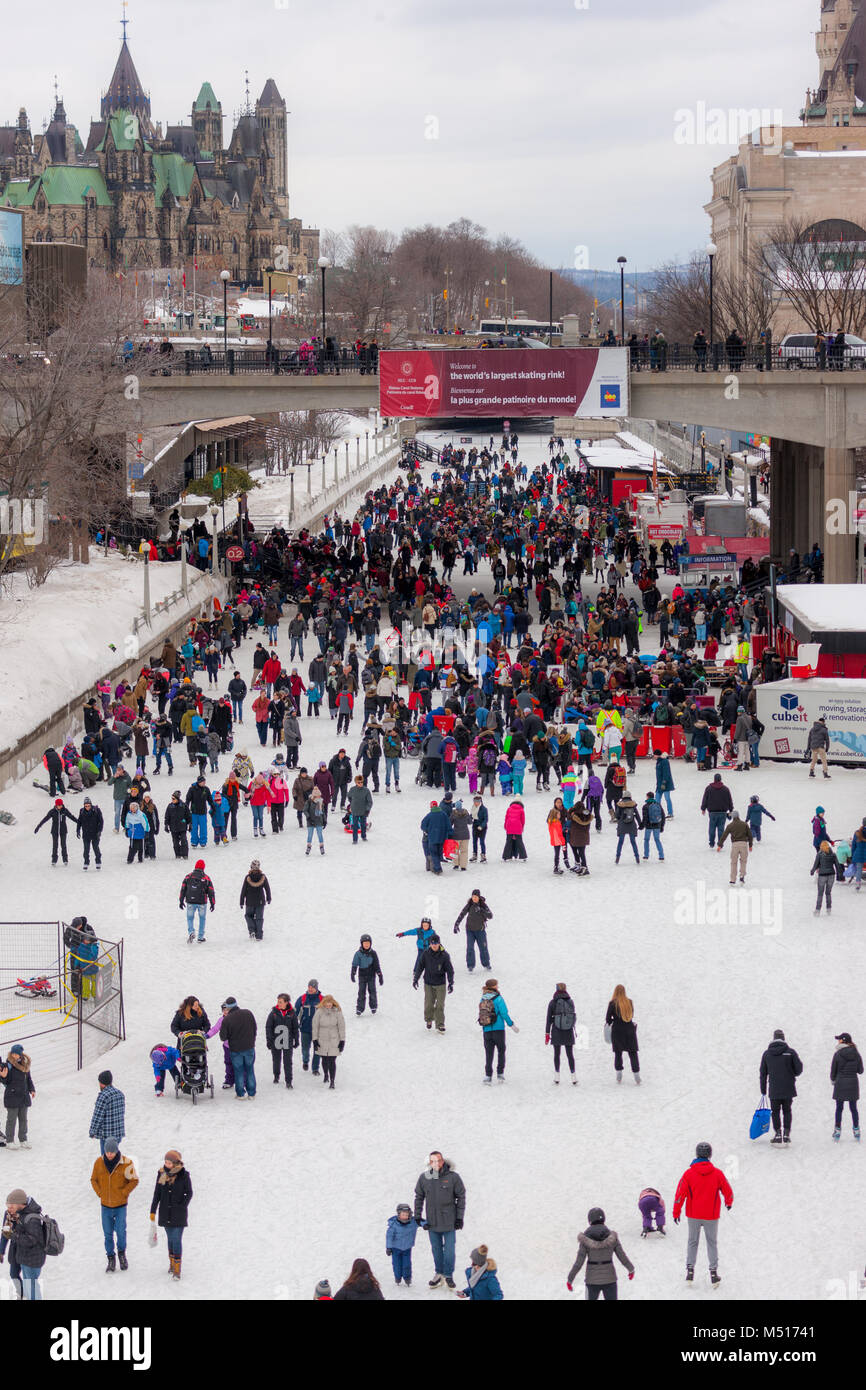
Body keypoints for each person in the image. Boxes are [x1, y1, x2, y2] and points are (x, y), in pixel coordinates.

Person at [672, 1141, 733, 1287]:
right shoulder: (717, 1173)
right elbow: (727, 1190)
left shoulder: (688, 1173)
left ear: (697, 1154)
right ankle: (713, 1273)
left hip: (693, 1214)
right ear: (710, 1155)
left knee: (692, 1241)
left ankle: (690, 1272)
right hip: (711, 1215)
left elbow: (680, 1194)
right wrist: (728, 1202)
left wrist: (676, 1211)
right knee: (712, 1242)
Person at [413, 1150, 466, 1291]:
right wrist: (418, 1216)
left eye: (438, 1160)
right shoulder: (424, 1178)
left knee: (449, 1251)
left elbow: (461, 1196)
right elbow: (419, 1196)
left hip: (449, 1222)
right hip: (432, 1223)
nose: (436, 1163)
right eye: (433, 1161)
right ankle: (439, 1273)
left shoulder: (453, 1177)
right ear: (429, 1163)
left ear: (443, 1161)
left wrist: (459, 1218)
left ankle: (448, 1275)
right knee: (436, 1250)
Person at [90, 1137, 138, 1272]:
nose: (109, 1155)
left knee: (121, 1232)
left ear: (117, 1151)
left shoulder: (126, 1163)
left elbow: (134, 1180)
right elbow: (93, 1179)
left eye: (112, 1152)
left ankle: (122, 1254)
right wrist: (100, 1193)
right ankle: (111, 1258)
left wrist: (124, 1192)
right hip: (105, 1206)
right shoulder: (99, 1163)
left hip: (120, 1206)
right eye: (107, 1152)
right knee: (108, 1234)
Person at [566, 1206, 634, 1300]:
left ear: (590, 1220)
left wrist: (570, 1279)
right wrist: (631, 1269)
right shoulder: (612, 1237)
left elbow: (579, 1262)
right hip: (610, 1279)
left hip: (592, 1280)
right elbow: (622, 1256)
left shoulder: (585, 1239)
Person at [149, 1149, 192, 1281]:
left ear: (175, 1163)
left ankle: (177, 1269)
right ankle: (172, 1263)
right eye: (165, 1162)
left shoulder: (184, 1175)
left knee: (176, 1239)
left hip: (178, 1214)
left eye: (169, 1162)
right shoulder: (162, 1174)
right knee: (170, 1239)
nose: (166, 1164)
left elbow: (189, 1193)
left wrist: (182, 1205)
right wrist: (153, 1210)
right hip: (165, 1213)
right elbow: (157, 1194)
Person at [2, 1188, 48, 1300]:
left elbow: (31, 1239)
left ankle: (26, 1294)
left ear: (19, 1204)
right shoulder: (10, 1214)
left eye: (11, 1206)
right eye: (7, 1206)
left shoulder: (31, 1218)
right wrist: (1, 1250)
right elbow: (6, 1232)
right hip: (19, 1253)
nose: (8, 1209)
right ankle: (22, 1294)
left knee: (31, 1285)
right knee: (15, 1275)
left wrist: (13, 1234)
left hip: (30, 1257)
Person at [759, 1029, 803, 1145]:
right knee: (787, 1110)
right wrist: (791, 1072)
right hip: (788, 1087)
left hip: (774, 1088)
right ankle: (787, 1133)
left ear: (773, 1038)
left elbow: (763, 1073)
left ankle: (778, 1133)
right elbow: (799, 1069)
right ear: (783, 1038)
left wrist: (763, 1090)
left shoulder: (767, 1054)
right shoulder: (790, 1052)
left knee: (775, 1111)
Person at [412, 935, 454, 1034]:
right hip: (429, 983)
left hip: (440, 983)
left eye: (436, 943)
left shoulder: (444, 955)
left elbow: (450, 970)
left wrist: (451, 983)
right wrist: (415, 979)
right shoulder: (425, 954)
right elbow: (420, 967)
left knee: (440, 1004)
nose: (434, 945)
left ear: (439, 943)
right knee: (429, 1003)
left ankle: (440, 1024)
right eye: (432, 944)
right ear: (430, 944)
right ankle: (429, 1019)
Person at [479, 978, 518, 1084]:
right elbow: (504, 1013)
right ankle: (500, 1074)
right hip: (498, 1029)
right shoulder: (498, 998)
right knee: (501, 1050)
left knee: (489, 1053)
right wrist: (511, 1024)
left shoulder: (483, 998)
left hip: (486, 1029)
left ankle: (488, 1076)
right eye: (497, 985)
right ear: (494, 986)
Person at [219, 996, 257, 1098]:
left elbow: (223, 1037)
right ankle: (252, 1093)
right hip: (249, 1047)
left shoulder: (227, 1019)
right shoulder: (248, 1013)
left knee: (239, 1071)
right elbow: (255, 1028)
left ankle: (241, 1094)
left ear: (228, 1007)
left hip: (236, 1050)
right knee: (249, 1070)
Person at [831, 1030, 863, 1141]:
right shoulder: (856, 1053)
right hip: (853, 1084)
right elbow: (861, 1070)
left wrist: (833, 1080)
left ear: (843, 1041)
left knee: (839, 1108)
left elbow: (833, 1071)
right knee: (853, 1108)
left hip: (840, 1084)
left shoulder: (837, 1054)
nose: (838, 1042)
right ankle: (856, 1130)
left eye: (839, 1039)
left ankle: (837, 1131)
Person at [0, 1045, 35, 1148]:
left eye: (16, 1054)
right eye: (13, 1053)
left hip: (23, 1096)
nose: (14, 1055)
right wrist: (3, 1077)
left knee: (23, 1119)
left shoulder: (25, 1065)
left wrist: (32, 1089)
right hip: (12, 1096)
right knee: (11, 1119)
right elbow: (6, 1082)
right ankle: (10, 1141)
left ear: (20, 1054)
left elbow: (29, 1079)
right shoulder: (8, 1065)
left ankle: (23, 1139)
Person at [605, 984, 640, 1084]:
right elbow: (631, 1015)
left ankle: (619, 1075)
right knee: (633, 1052)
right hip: (629, 1029)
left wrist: (614, 1020)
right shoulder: (629, 1002)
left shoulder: (612, 1003)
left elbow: (607, 1019)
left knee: (618, 1052)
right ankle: (637, 1075)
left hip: (617, 1030)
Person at [453, 889, 493, 973]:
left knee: (483, 948)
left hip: (480, 931)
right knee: (470, 948)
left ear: (478, 897)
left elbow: (490, 916)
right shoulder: (469, 904)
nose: (474, 898)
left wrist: (481, 910)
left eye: (476, 897)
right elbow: (462, 914)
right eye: (473, 896)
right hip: (470, 930)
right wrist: (456, 924)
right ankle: (470, 965)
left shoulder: (483, 905)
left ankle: (486, 964)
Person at [545, 982, 578, 1084]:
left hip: (556, 1030)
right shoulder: (570, 1002)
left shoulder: (553, 1002)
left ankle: (557, 1076)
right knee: (570, 1054)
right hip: (568, 1030)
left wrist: (547, 1033)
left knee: (557, 1054)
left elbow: (548, 1019)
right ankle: (573, 1077)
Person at [311, 994, 345, 1089]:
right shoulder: (319, 1012)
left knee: (332, 1060)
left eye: (330, 1003)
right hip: (322, 1039)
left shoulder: (337, 1012)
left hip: (334, 1039)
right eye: (327, 1003)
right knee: (325, 1060)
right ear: (324, 1003)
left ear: (333, 1003)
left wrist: (342, 1040)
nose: (328, 1005)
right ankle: (326, 1074)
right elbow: (315, 1026)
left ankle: (332, 1081)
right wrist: (315, 1039)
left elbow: (341, 1027)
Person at [266, 993, 299, 1088]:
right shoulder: (273, 1013)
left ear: (286, 1002)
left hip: (287, 1041)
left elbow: (295, 1028)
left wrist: (296, 1039)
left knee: (288, 1061)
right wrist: (269, 1040)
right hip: (276, 1041)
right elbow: (268, 1027)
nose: (278, 1004)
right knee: (276, 1060)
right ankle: (276, 1076)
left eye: (280, 1002)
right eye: (278, 1001)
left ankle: (289, 1081)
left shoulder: (292, 1014)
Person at [88, 1070, 126, 1155]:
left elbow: (97, 1116)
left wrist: (92, 1132)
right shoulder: (120, 1094)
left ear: (101, 1083)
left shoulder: (103, 1096)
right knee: (114, 1157)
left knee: (106, 1160)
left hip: (107, 1135)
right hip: (118, 1133)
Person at [178, 859, 215, 943]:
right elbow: (211, 891)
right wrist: (212, 903)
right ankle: (200, 937)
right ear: (203, 867)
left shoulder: (188, 876)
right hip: (202, 902)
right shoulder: (206, 878)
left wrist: (181, 900)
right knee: (202, 919)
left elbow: (183, 889)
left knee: (190, 918)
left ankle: (191, 932)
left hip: (190, 901)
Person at [34, 797, 77, 865]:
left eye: (61, 805)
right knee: (55, 845)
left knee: (63, 845)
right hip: (54, 831)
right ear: (56, 805)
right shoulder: (52, 811)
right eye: (58, 805)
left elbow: (71, 817)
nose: (60, 806)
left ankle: (65, 859)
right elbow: (45, 819)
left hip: (63, 831)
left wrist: (79, 823)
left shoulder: (65, 811)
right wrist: (38, 826)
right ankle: (54, 860)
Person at [295, 979, 324, 1074]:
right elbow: (295, 1012)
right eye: (309, 987)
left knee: (318, 1050)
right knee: (305, 1049)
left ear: (316, 988)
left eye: (312, 987)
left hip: (318, 1031)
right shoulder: (302, 998)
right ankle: (305, 1061)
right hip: (305, 1029)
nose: (310, 989)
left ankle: (315, 1068)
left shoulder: (321, 999)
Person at [385, 1202, 417, 1287]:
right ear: (399, 1215)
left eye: (406, 1215)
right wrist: (389, 1247)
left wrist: (425, 1224)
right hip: (396, 1248)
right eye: (403, 1214)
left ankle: (407, 1278)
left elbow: (421, 1222)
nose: (405, 1217)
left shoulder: (413, 1223)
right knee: (396, 1264)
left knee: (407, 1264)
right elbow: (389, 1236)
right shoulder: (394, 1224)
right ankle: (397, 1277)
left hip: (407, 1248)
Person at [240, 859, 272, 940]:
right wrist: (268, 898)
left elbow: (243, 890)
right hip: (260, 901)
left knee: (248, 916)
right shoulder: (263, 877)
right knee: (259, 918)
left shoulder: (248, 878)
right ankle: (259, 935)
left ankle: (252, 930)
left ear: (251, 867)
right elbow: (267, 888)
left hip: (250, 901)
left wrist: (241, 901)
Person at [351, 935, 383, 1016]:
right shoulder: (358, 954)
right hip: (362, 975)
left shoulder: (373, 953)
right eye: (365, 943)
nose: (366, 945)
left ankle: (373, 1006)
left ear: (370, 944)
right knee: (361, 992)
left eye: (368, 943)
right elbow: (355, 964)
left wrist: (380, 975)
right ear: (361, 944)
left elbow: (376, 965)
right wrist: (353, 973)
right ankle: (360, 1008)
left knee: (372, 991)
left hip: (371, 975)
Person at [718, 810, 753, 884]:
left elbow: (724, 835)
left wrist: (720, 845)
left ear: (732, 817)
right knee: (743, 861)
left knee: (734, 862)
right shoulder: (744, 824)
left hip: (735, 845)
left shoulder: (730, 826)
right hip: (744, 844)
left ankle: (732, 880)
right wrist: (750, 845)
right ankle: (742, 876)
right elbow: (750, 835)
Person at [700, 772, 733, 847]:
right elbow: (729, 800)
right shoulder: (726, 789)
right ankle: (720, 843)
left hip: (712, 813)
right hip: (723, 813)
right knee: (721, 829)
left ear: (714, 779)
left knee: (712, 828)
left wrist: (703, 808)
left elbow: (705, 799)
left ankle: (711, 843)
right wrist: (731, 810)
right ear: (720, 779)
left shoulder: (709, 788)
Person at [420, 799, 451, 874]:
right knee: (439, 853)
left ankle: (437, 869)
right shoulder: (443, 814)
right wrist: (449, 833)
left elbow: (423, 826)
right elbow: (448, 825)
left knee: (433, 853)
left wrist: (428, 831)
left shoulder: (429, 815)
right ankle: (438, 866)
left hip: (432, 838)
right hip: (442, 838)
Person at [614, 788, 642, 864]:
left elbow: (616, 815)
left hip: (622, 825)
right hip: (631, 825)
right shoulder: (632, 805)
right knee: (633, 842)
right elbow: (637, 815)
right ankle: (637, 857)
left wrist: (620, 817)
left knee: (620, 842)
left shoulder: (620, 804)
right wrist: (640, 824)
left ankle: (617, 857)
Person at [77, 795, 104, 870]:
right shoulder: (82, 811)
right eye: (86, 806)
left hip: (95, 833)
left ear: (91, 804)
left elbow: (101, 821)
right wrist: (78, 830)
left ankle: (98, 861)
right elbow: (79, 821)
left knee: (95, 847)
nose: (87, 807)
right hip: (86, 833)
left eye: (88, 805)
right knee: (86, 849)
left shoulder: (96, 810)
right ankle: (86, 862)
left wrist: (99, 831)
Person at [811, 839, 837, 916]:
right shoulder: (833, 854)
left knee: (820, 894)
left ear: (821, 846)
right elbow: (837, 865)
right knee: (828, 893)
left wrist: (812, 871)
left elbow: (815, 864)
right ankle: (829, 909)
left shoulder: (819, 854)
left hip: (822, 875)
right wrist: (840, 875)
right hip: (831, 875)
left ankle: (817, 911)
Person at [348, 774, 373, 843]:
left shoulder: (366, 790)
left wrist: (367, 809)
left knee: (363, 825)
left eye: (362, 782)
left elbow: (370, 801)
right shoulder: (352, 789)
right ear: (356, 782)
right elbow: (349, 796)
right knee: (355, 826)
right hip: (355, 811)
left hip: (363, 811)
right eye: (359, 782)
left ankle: (363, 836)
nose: (360, 783)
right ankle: (355, 839)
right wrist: (352, 803)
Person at [642, 791, 666, 861]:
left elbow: (645, 817)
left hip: (649, 825)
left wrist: (642, 825)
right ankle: (661, 856)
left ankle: (646, 856)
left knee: (646, 840)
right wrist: (662, 825)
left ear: (648, 797)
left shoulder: (645, 806)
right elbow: (663, 815)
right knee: (657, 839)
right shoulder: (658, 804)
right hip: (657, 825)